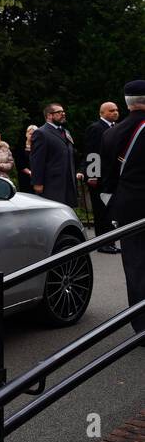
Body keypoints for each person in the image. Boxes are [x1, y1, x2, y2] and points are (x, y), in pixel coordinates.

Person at [99, 80, 145, 334]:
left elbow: (108, 178)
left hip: (128, 206)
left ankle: (140, 326)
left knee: (136, 265)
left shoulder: (110, 133)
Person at [84, 101, 122, 253]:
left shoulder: (116, 128)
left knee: (110, 211)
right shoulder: (96, 128)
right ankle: (102, 243)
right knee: (101, 212)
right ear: (102, 113)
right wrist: (92, 176)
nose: (115, 112)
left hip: (112, 177)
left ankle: (110, 241)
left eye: (117, 110)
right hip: (99, 178)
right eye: (111, 110)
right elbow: (92, 153)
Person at [29, 103, 80, 208]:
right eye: (59, 112)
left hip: (68, 182)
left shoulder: (65, 132)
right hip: (52, 184)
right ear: (49, 115)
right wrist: (37, 183)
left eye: (63, 112)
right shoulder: (41, 133)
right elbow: (37, 160)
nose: (63, 114)